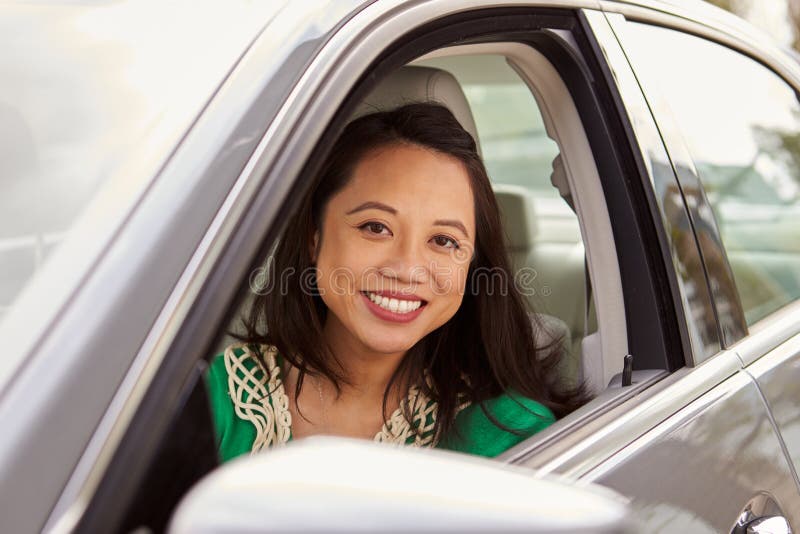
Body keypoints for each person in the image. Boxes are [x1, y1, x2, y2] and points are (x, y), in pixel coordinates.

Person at [205, 102, 587, 463]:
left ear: (471, 266)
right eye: (376, 227)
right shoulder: (214, 397)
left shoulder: (509, 436)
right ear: (313, 238)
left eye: (443, 241)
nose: (407, 268)